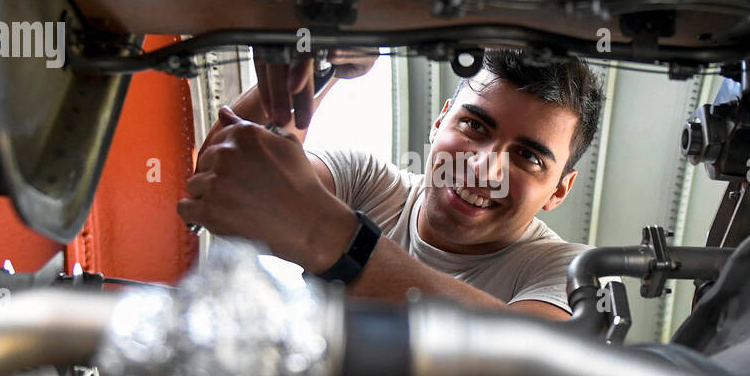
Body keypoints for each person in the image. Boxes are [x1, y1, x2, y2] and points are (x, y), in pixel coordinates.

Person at [178, 50, 603, 320]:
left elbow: (533, 359)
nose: (483, 169)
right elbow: (221, 178)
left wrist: (335, 241)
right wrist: (320, 65)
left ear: (559, 190)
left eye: (528, 157)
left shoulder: (576, 272)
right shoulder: (366, 183)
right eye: (473, 125)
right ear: (440, 122)